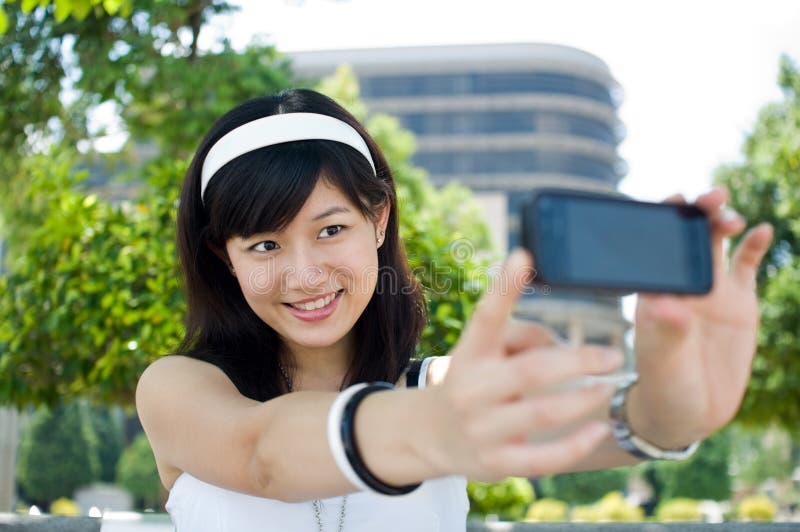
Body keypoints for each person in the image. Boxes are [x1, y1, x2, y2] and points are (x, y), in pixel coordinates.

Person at [136, 88, 774, 531]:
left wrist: (677, 400)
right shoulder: (177, 389)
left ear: (378, 219)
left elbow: (621, 423)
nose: (304, 275)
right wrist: (428, 429)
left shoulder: (444, 390)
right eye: (266, 244)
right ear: (225, 256)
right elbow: (262, 456)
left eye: (331, 230)